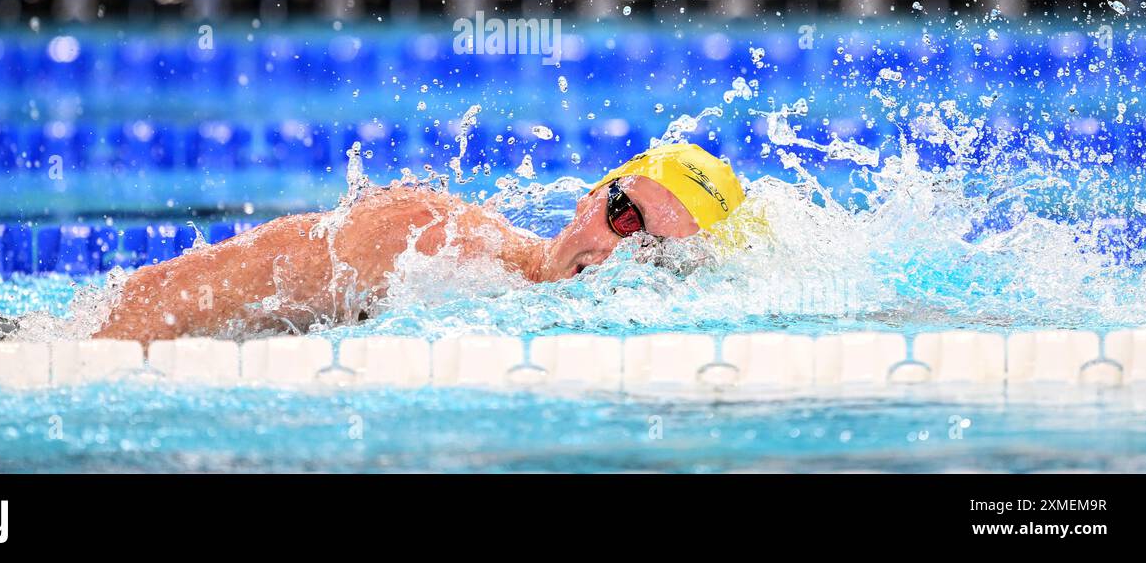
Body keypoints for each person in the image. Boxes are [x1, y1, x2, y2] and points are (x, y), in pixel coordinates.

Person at [90, 143, 745, 343]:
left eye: (653, 250)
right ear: (589, 198)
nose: (618, 252)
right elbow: (161, 300)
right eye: (625, 218)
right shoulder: (426, 238)